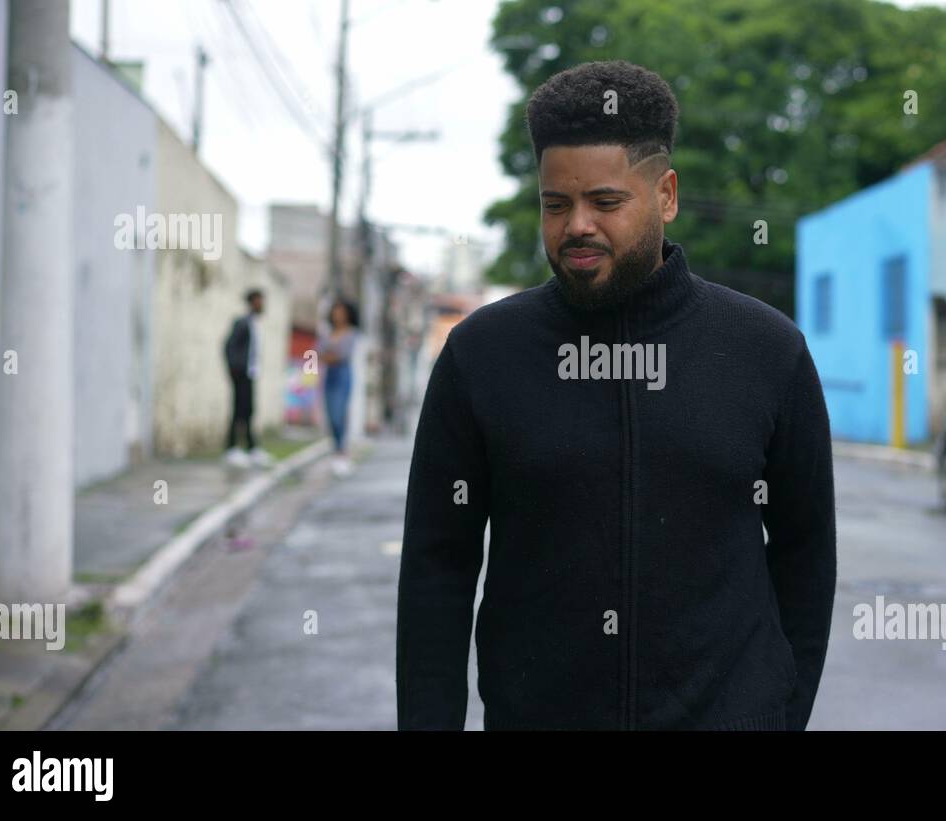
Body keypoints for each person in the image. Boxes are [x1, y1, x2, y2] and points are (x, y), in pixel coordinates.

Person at [396, 61, 836, 731]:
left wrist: (779, 713)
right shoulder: (481, 356)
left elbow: (807, 554)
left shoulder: (765, 351)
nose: (577, 225)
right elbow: (437, 569)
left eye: (605, 202)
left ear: (666, 195)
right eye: (555, 203)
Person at [223, 289, 273, 468]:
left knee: (248, 411)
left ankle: (252, 448)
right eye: (258, 301)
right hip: (241, 373)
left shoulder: (254, 324)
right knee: (239, 411)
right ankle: (232, 448)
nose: (262, 304)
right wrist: (234, 369)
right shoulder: (243, 323)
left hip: (250, 373)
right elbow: (229, 345)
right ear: (252, 302)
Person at [319, 299, 360, 477]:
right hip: (329, 377)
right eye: (335, 312)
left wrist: (328, 356)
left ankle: (342, 453)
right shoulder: (328, 333)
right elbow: (316, 353)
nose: (338, 315)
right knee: (330, 415)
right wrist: (328, 357)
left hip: (343, 376)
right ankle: (336, 452)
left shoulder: (351, 333)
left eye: (341, 312)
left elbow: (341, 356)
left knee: (339, 415)